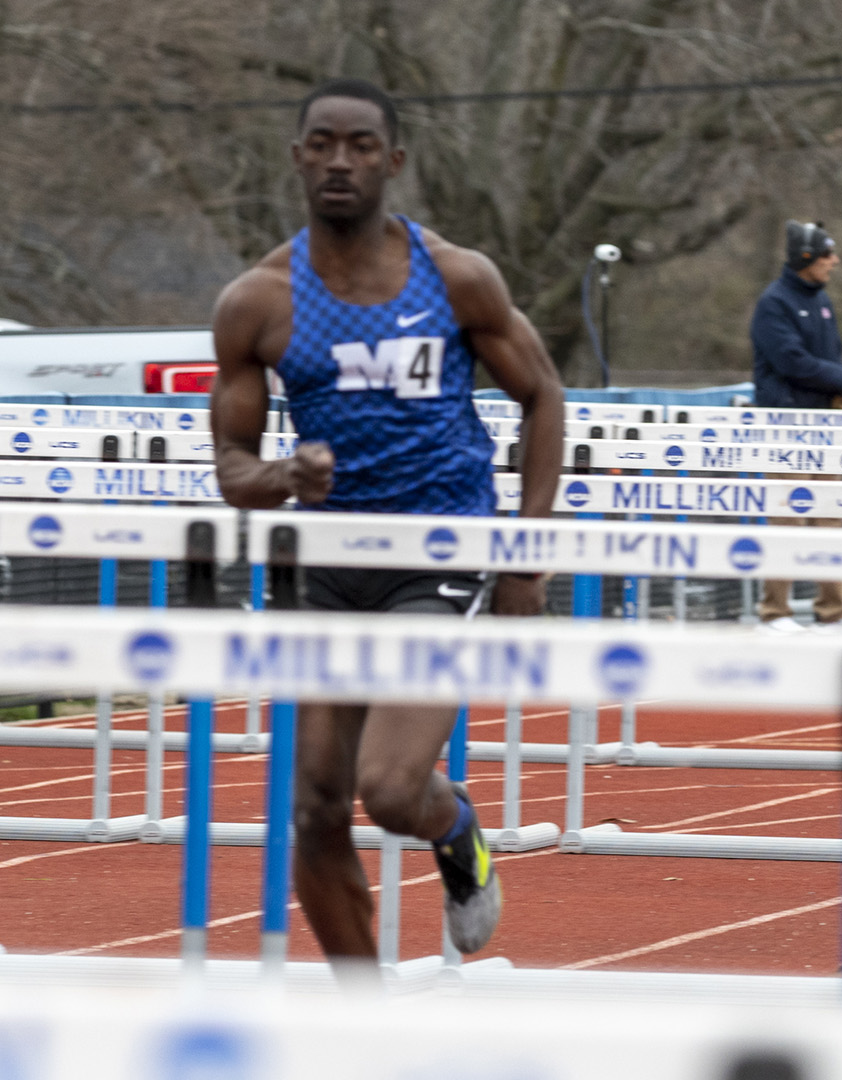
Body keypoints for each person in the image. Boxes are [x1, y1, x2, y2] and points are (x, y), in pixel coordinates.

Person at [209, 78, 565, 977]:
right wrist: (285, 474)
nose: (339, 160)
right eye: (321, 142)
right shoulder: (258, 301)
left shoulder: (455, 278)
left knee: (391, 789)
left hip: (440, 553)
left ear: (393, 162)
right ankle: (361, 1022)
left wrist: (524, 550)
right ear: (297, 157)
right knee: (317, 809)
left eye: (360, 145)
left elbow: (543, 396)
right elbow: (232, 471)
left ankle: (458, 833)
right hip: (329, 566)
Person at [748, 220, 842, 632]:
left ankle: (833, 611)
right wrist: (841, 381)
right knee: (788, 517)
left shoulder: (821, 300)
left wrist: (839, 393)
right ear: (805, 257)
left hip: (825, 423)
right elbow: (790, 362)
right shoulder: (774, 302)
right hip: (786, 424)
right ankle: (774, 613)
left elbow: (827, 357)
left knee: (829, 516)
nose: (834, 262)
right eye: (826, 255)